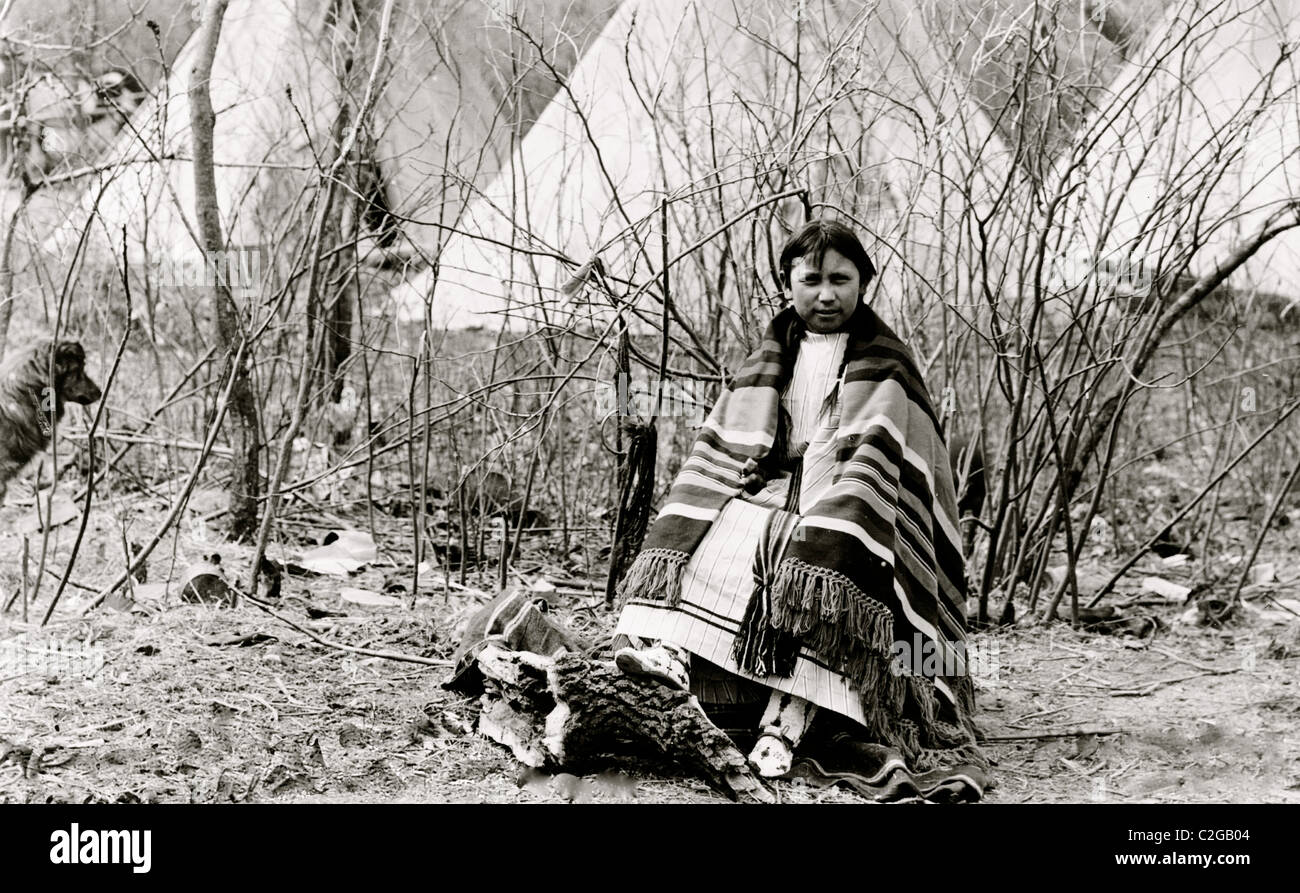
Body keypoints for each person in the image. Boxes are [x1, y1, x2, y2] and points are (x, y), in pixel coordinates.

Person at [612, 219, 982, 785]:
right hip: (777, 487)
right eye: (811, 279)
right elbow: (731, 444)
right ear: (789, 281)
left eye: (841, 279)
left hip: (853, 500)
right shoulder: (769, 355)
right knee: (712, 525)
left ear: (864, 283)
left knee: (825, 558)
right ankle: (673, 658)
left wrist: (831, 505)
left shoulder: (887, 364)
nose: (826, 294)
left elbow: (888, 464)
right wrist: (747, 484)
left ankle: (786, 721)